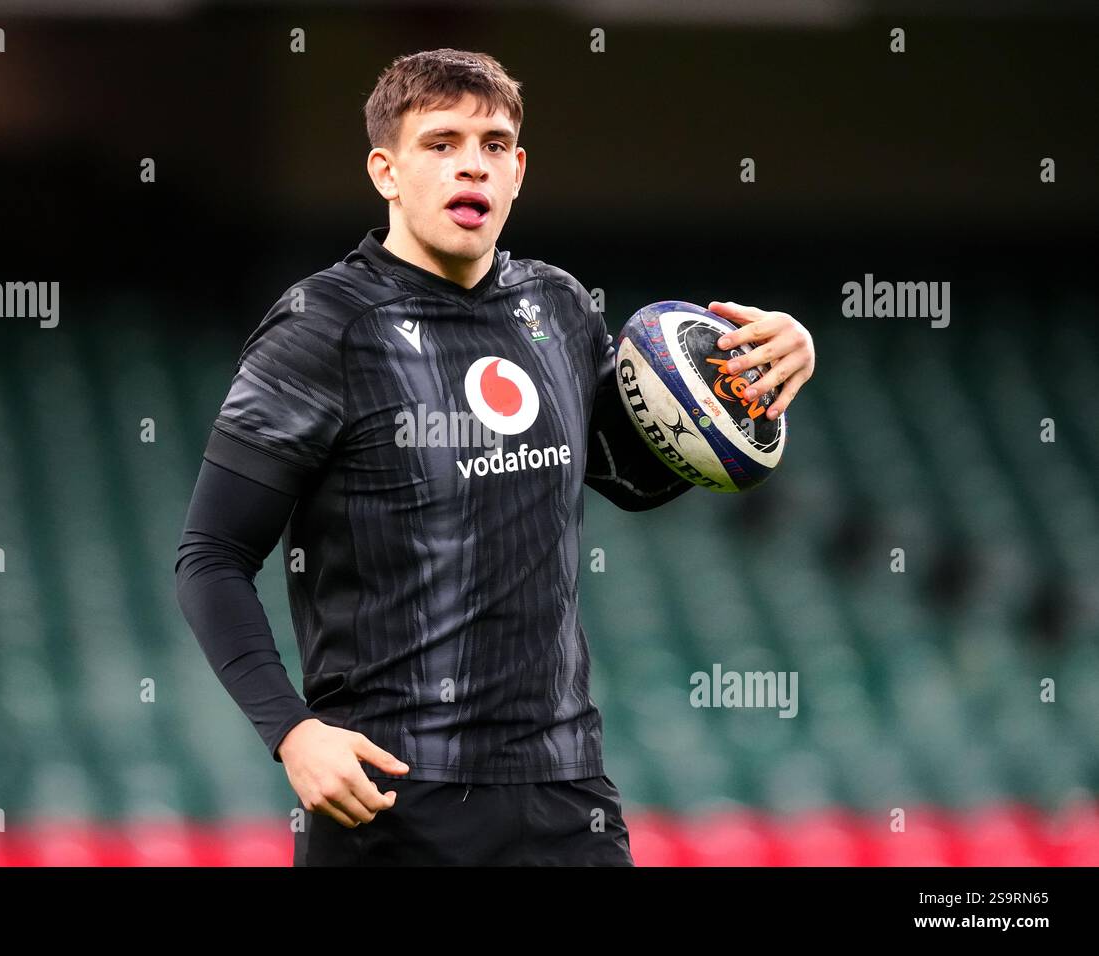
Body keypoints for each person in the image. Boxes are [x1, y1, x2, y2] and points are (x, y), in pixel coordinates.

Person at [175, 48, 816, 866]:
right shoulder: (321, 326)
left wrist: (759, 374)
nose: (469, 165)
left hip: (563, 795)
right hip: (393, 798)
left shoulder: (557, 303)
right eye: (440, 143)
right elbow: (211, 557)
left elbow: (632, 476)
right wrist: (291, 730)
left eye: (492, 144)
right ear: (387, 171)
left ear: (517, 171)